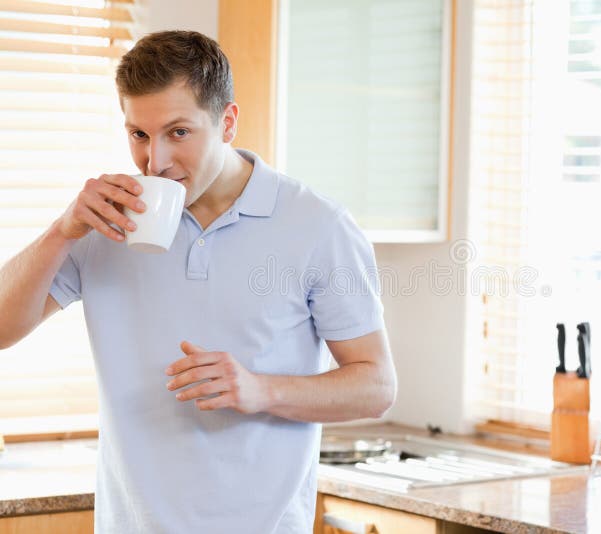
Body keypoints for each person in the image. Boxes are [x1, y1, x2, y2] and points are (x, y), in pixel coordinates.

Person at [0, 30, 396, 533]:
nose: (155, 161)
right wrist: (63, 231)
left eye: (179, 132)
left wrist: (259, 389)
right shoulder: (108, 221)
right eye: (138, 134)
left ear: (227, 122)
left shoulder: (317, 227)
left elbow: (376, 385)